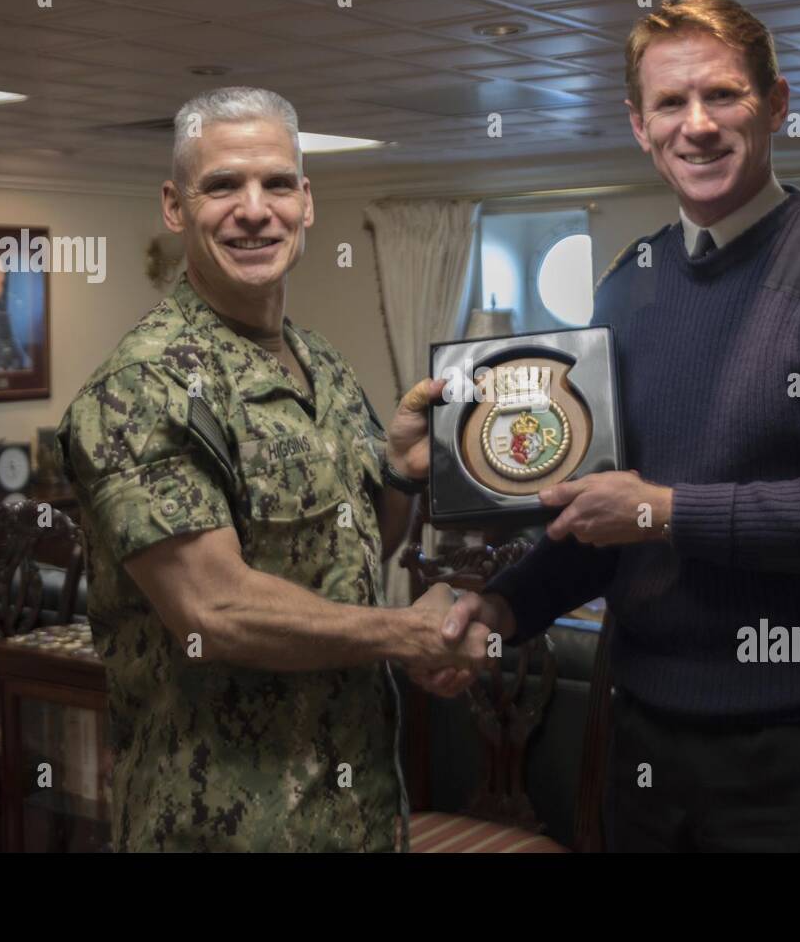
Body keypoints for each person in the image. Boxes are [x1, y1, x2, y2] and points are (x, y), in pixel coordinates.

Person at [420, 0, 800, 853]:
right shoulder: (627, 285)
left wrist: (664, 510)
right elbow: (601, 522)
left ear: (776, 105)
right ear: (640, 125)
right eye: (670, 102)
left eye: (723, 95)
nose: (696, 126)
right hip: (643, 736)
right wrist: (503, 606)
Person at [57, 87, 489, 853]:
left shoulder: (322, 363)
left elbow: (358, 551)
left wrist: (398, 473)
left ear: (306, 201)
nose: (254, 211)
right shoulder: (143, 385)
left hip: (355, 812)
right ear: (175, 206)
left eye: (277, 183)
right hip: (217, 828)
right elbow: (214, 608)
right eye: (222, 185)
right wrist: (406, 634)